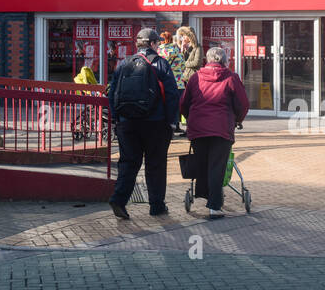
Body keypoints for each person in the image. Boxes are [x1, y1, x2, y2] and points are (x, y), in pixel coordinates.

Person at [106, 27, 180, 220]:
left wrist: (117, 118)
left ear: (138, 44)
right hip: (156, 123)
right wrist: (172, 122)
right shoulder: (161, 64)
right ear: (154, 44)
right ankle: (156, 206)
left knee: (128, 163)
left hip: (127, 123)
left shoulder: (123, 64)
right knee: (155, 164)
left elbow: (112, 93)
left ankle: (119, 199)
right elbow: (172, 94)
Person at [180, 46, 249, 218]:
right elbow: (243, 104)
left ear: (207, 60)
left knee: (202, 164)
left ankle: (204, 195)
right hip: (221, 129)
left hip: (198, 129)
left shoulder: (195, 77)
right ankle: (214, 207)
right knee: (217, 167)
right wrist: (237, 119)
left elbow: (184, 104)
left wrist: (191, 119)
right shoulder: (231, 78)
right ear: (225, 61)